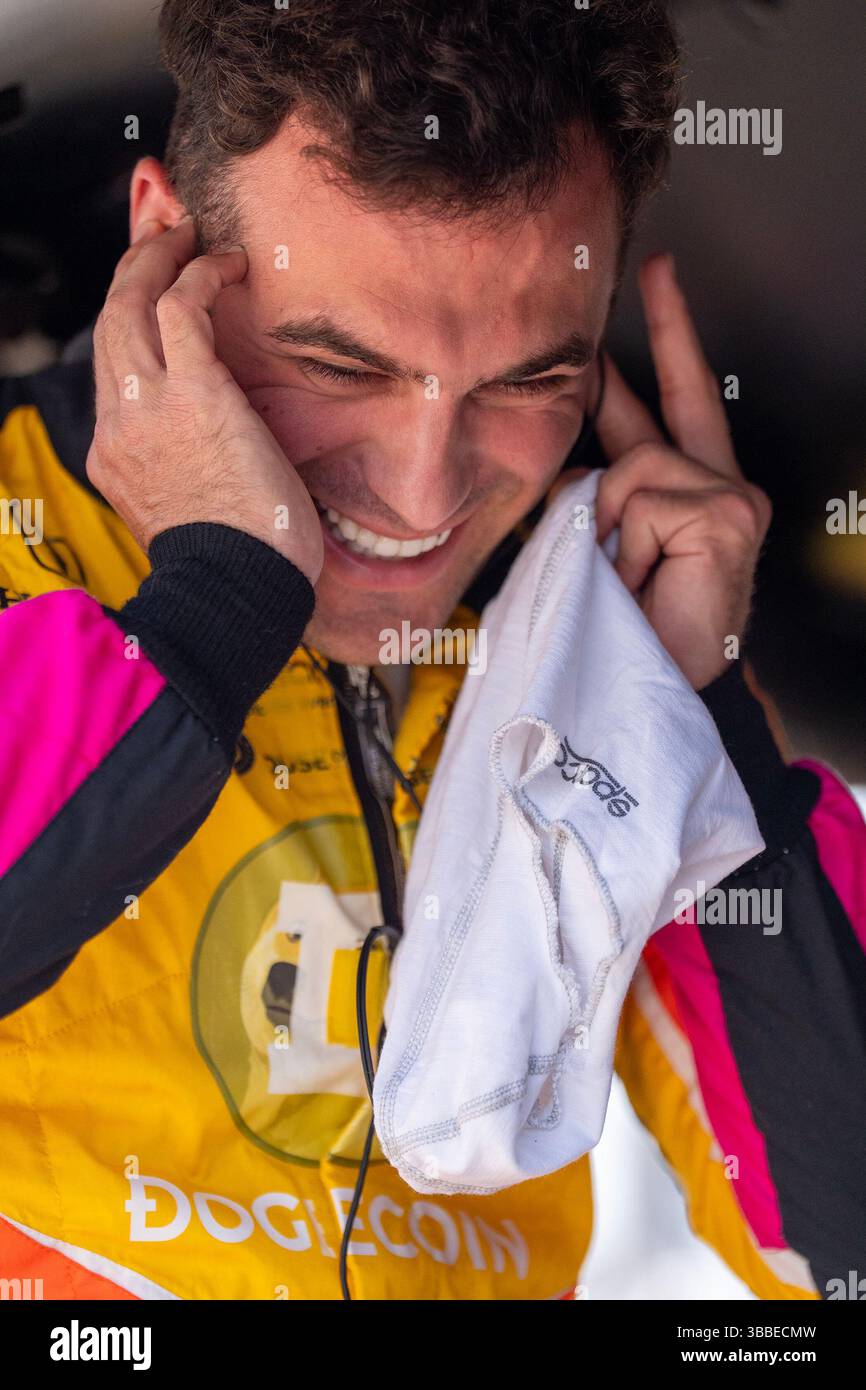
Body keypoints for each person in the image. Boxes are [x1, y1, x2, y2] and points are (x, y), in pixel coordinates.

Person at [0, 0, 863, 1302]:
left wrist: (701, 732)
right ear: (160, 240)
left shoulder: (586, 632)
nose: (419, 496)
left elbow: (838, 1246)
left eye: (523, 382)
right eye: (334, 365)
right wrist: (214, 609)